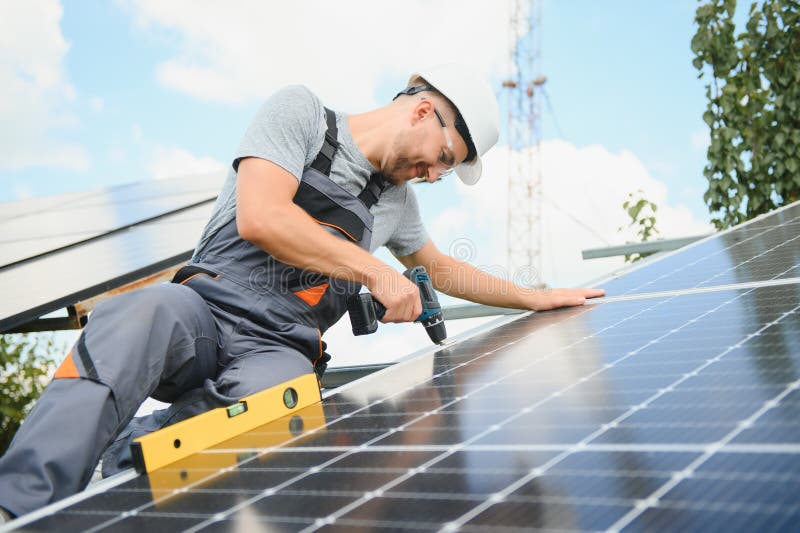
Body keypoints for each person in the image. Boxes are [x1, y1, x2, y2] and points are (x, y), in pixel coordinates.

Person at [0, 64, 604, 520]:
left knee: (284, 409)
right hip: (203, 309)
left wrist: (536, 297)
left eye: (445, 171)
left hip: (279, 347)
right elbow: (260, 216)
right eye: (442, 158)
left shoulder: (397, 205)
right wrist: (372, 271)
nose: (435, 175)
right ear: (423, 111)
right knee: (142, 313)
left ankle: (126, 468)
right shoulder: (302, 118)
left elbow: (442, 270)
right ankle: (19, 506)